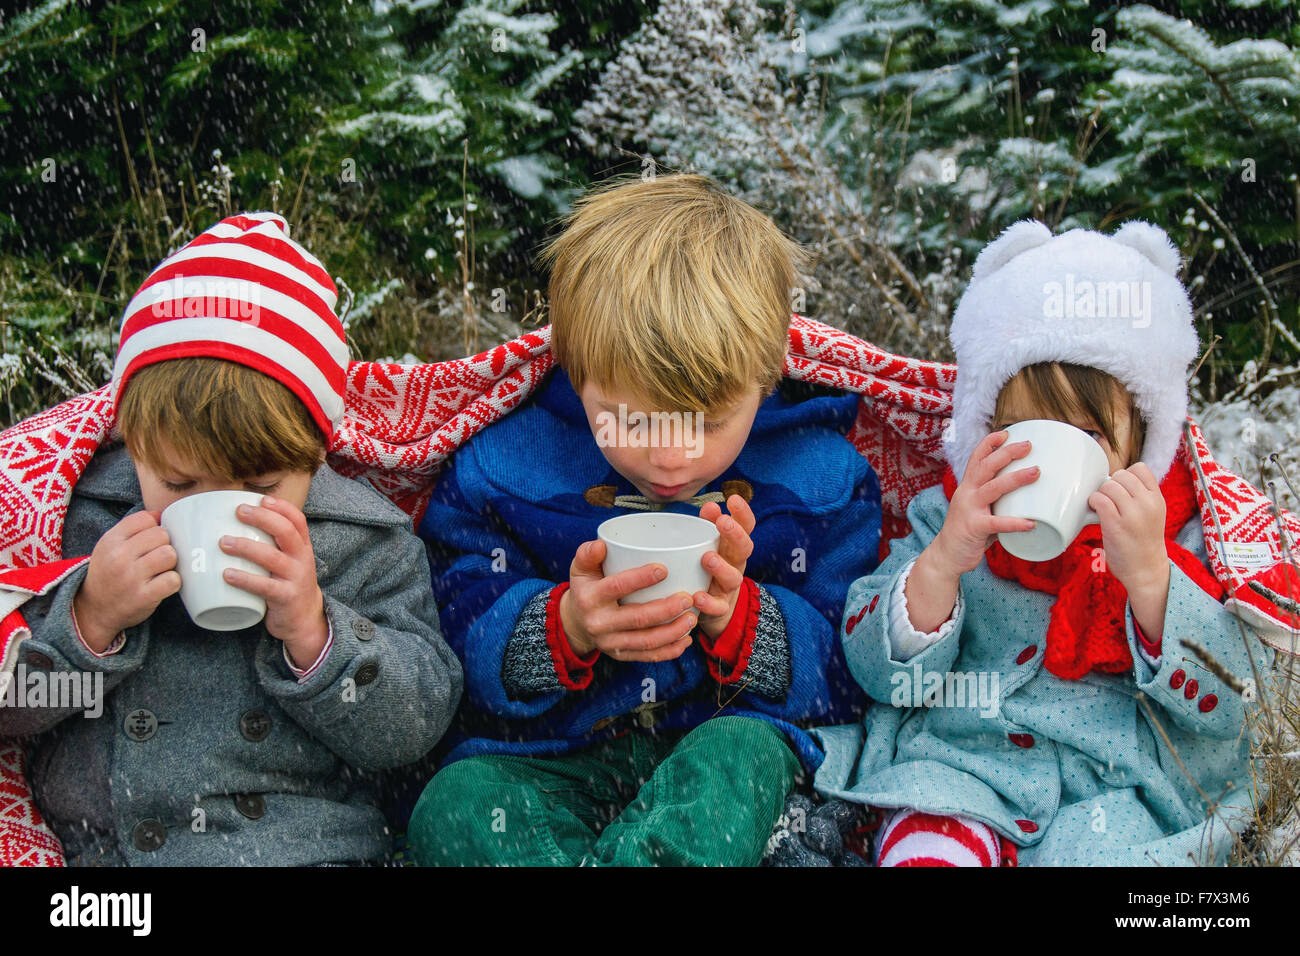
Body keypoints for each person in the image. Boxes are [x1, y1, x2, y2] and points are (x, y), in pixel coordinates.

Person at [409, 174, 881, 866]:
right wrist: (562, 626)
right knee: (454, 807)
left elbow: (854, 669)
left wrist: (745, 621)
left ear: (769, 373)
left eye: (710, 423)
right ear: (574, 365)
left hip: (725, 752)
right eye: (630, 419)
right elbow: (445, 634)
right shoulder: (506, 466)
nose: (670, 459)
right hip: (550, 760)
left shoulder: (821, 479)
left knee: (736, 760)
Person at [0, 213, 462, 865]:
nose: (214, 508)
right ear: (133, 448)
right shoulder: (83, 523)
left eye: (260, 484)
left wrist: (315, 634)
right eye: (180, 482)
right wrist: (88, 620)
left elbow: (413, 729)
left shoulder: (365, 544)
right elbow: (11, 713)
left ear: (316, 457)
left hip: (302, 852)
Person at [814, 220, 1261, 866]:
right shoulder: (949, 513)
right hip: (964, 766)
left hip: (1109, 791)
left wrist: (1152, 583)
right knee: (928, 836)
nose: (1050, 455)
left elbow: (1231, 706)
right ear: (984, 428)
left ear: (1140, 446)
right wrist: (942, 564)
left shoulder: (1181, 537)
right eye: (1024, 429)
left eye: (1085, 435)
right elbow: (879, 674)